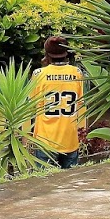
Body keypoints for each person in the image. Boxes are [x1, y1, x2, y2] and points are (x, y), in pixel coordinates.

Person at [31, 35, 85, 168]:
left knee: (44, 184)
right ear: (66, 52)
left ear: (47, 53)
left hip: (45, 140)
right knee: (70, 183)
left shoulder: (39, 74)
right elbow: (80, 101)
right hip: (69, 139)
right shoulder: (77, 73)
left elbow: (32, 103)